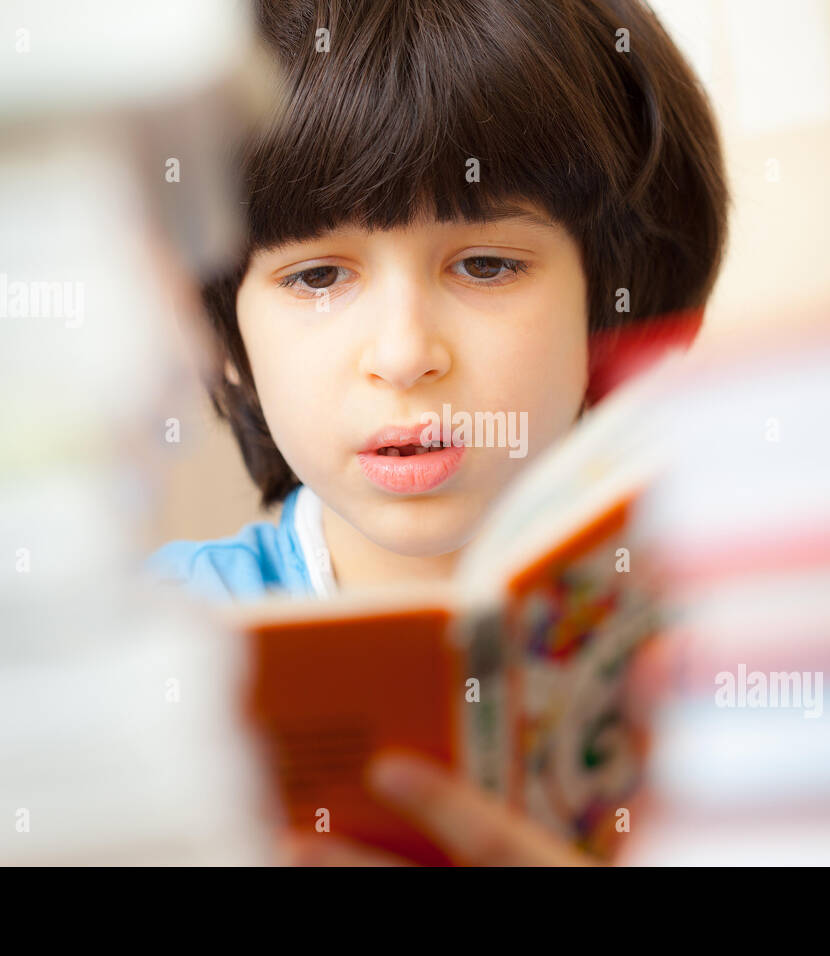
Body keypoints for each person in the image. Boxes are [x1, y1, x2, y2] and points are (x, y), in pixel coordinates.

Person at [148, 0, 728, 864]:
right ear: (222, 334)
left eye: (486, 264)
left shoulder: (731, 628)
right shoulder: (161, 645)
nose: (405, 353)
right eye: (316, 277)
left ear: (610, 304)